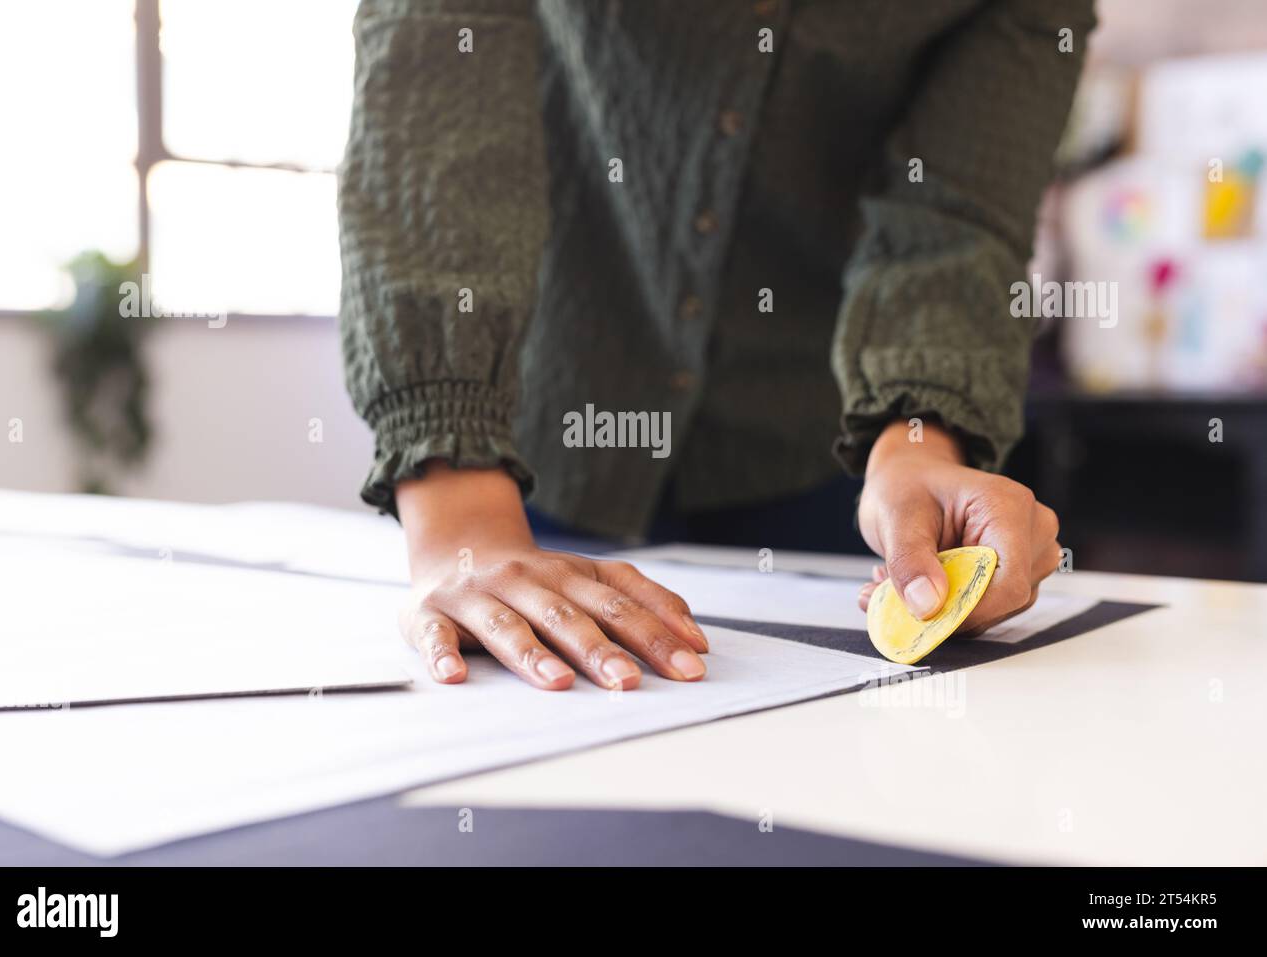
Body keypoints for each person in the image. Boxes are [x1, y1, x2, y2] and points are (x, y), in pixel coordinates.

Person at [336, 0, 1092, 691]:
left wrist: (921, 444)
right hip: (529, 454)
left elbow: (955, 224)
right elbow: (440, 62)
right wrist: (460, 514)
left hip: (821, 462)